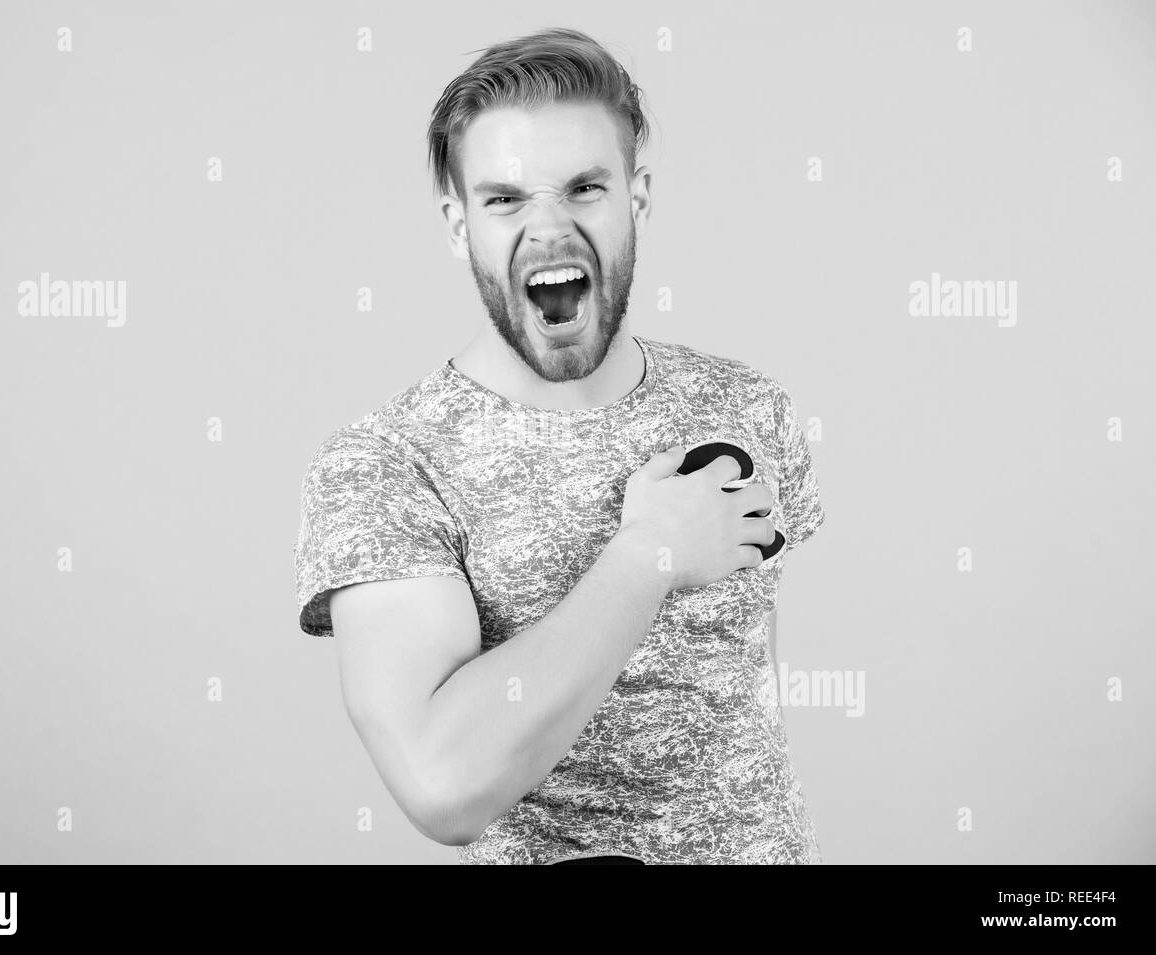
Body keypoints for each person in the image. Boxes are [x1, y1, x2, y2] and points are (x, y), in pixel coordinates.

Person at [294, 27, 826, 864]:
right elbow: (443, 784)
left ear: (636, 198)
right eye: (504, 199)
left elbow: (735, 714)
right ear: (456, 222)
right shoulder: (387, 465)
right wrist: (648, 552)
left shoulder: (747, 405)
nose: (548, 230)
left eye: (584, 188)